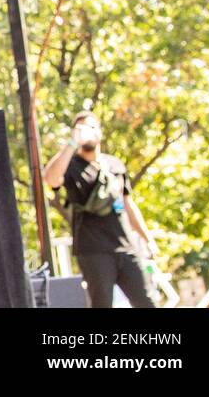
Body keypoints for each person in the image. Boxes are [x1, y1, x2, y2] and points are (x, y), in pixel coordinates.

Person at [42, 111, 158, 308]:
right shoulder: (70, 165)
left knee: (146, 301)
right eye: (81, 128)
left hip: (126, 246)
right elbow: (50, 179)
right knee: (102, 303)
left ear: (100, 132)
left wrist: (147, 239)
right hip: (93, 250)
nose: (87, 132)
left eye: (91, 127)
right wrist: (72, 143)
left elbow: (128, 205)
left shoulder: (114, 164)